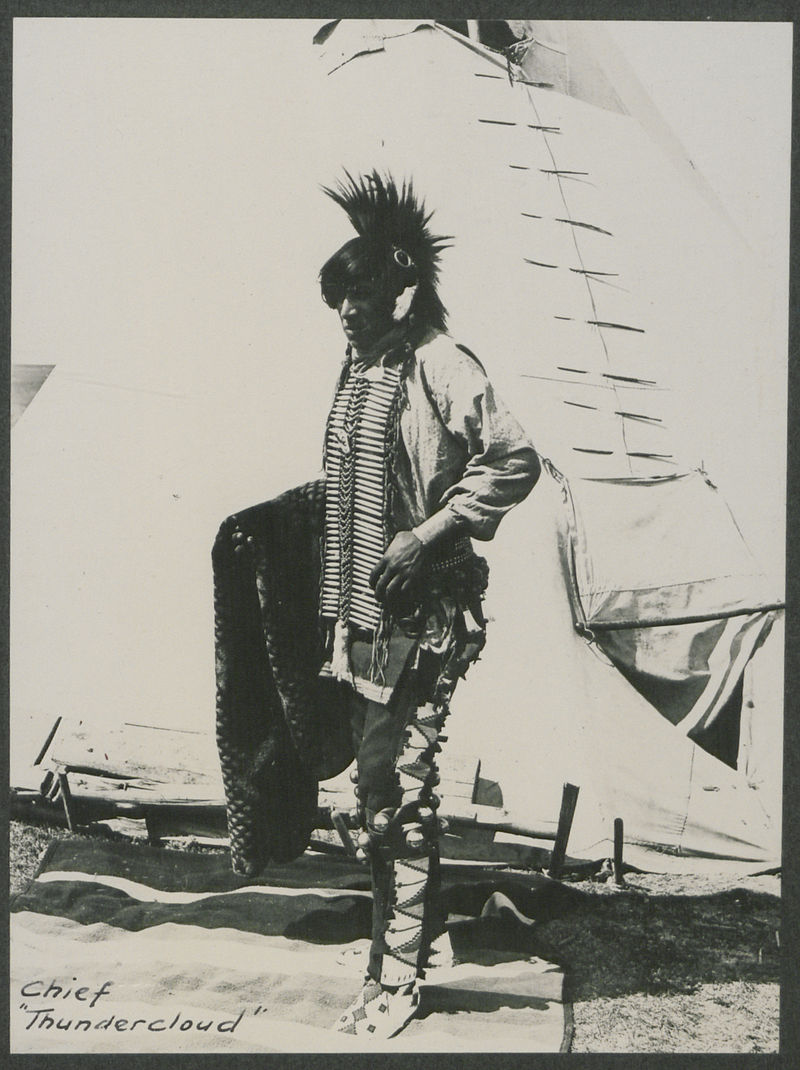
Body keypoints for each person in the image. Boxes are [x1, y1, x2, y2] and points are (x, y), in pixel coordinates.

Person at [316, 171, 541, 1038]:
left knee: (396, 795)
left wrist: (433, 532)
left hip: (428, 618)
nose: (345, 309)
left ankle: (400, 978)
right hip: (368, 620)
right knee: (381, 788)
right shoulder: (360, 371)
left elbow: (514, 459)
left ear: (402, 290)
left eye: (361, 292)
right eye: (339, 296)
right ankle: (413, 940)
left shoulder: (441, 362)